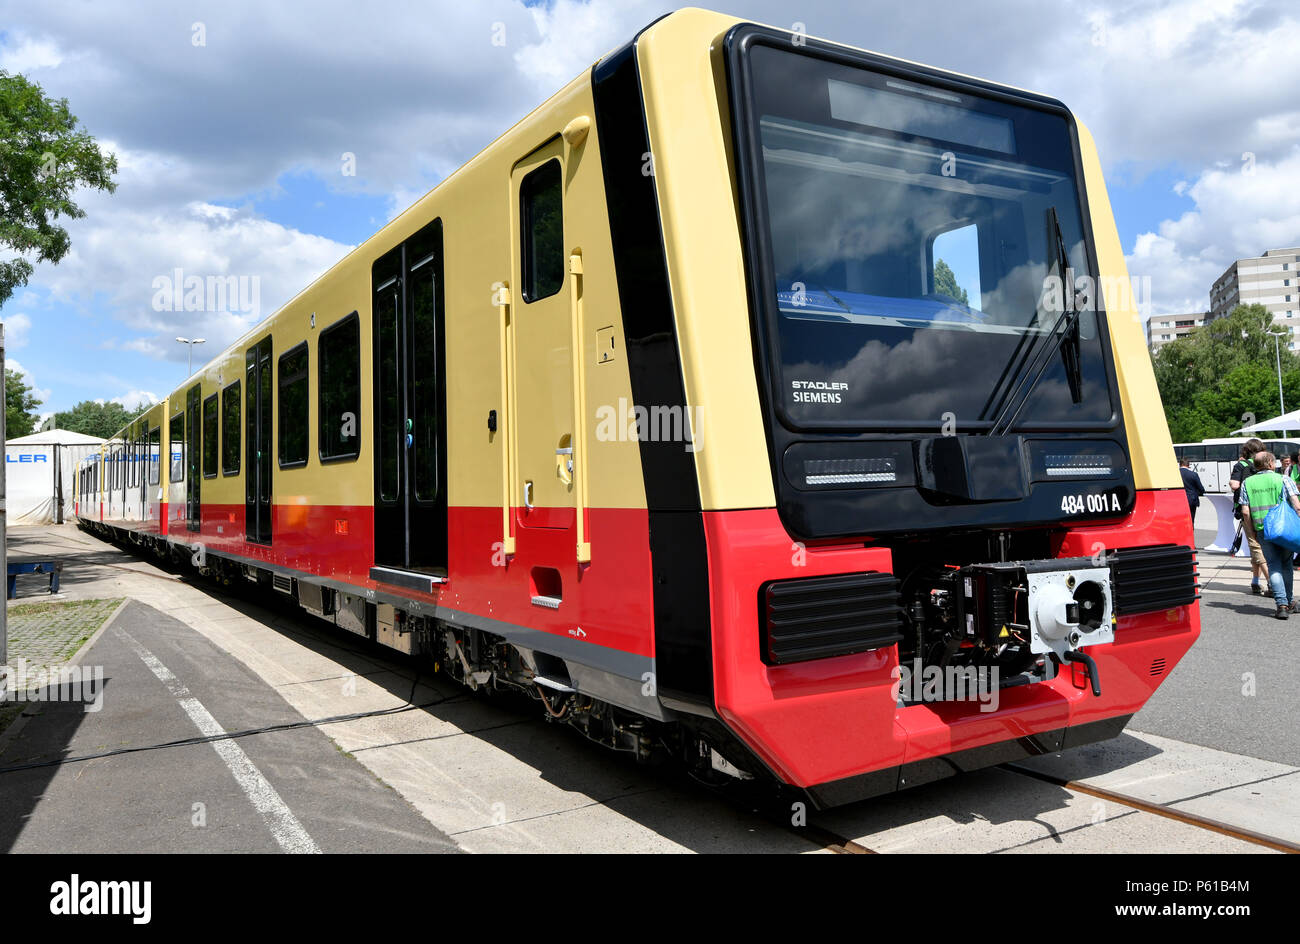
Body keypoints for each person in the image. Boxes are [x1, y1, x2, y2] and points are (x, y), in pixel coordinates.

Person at [1240, 451, 1300, 619]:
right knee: (1287, 564)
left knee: (1273, 565)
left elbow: (1245, 512)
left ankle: (1282, 605)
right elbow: (1296, 504)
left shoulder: (1247, 483)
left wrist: (1252, 532)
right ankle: (1287, 601)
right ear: (1272, 464)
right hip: (1284, 530)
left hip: (1263, 530)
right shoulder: (1283, 479)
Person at [1230, 438, 1269, 594]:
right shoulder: (1263, 466)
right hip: (1266, 510)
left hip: (1249, 511)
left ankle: (1272, 583)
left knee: (1255, 545)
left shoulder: (1241, 465)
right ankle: (1255, 581)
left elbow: (1234, 485)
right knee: (1259, 547)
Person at [1179, 457, 1205, 527]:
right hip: (1191, 500)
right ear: (1188, 465)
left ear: (1180, 464)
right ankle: (1190, 534)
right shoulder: (1193, 474)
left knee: (1180, 520)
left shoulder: (1175, 475)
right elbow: (1201, 489)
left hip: (1178, 500)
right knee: (1191, 519)